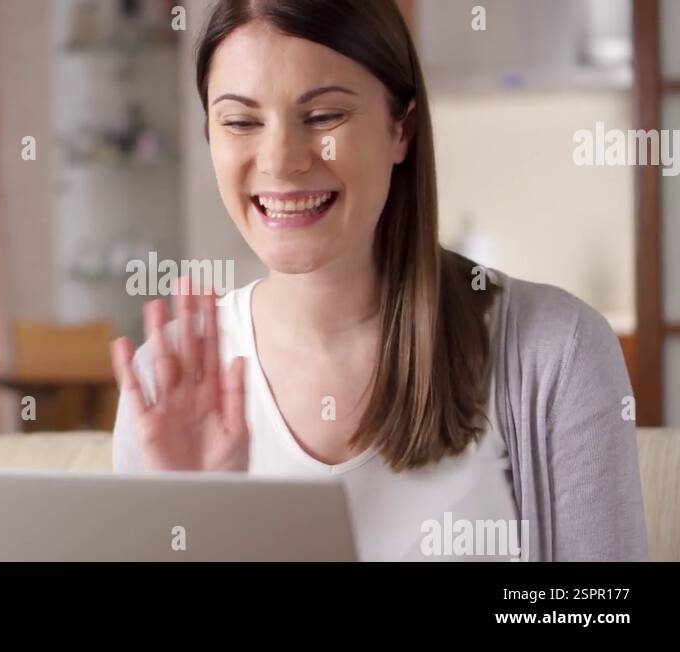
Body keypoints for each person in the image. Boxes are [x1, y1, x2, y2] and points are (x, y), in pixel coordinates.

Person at [109, 0, 647, 561]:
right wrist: (197, 521)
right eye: (241, 122)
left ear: (402, 129)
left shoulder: (557, 350)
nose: (280, 160)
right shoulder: (165, 382)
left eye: (322, 117)